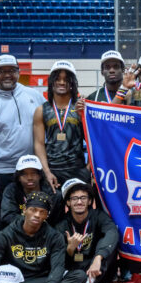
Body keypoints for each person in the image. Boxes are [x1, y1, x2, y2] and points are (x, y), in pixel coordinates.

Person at [0, 54, 45, 207]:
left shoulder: (34, 96)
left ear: (18, 72)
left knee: (32, 216)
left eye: (11, 70)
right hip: (1, 173)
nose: (7, 75)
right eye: (1, 71)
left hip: (30, 170)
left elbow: (52, 119)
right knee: (1, 220)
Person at [54, 178, 122, 283]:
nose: (79, 202)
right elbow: (58, 258)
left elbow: (111, 232)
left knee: (109, 245)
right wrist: (70, 249)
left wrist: (98, 258)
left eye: (83, 198)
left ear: (90, 200)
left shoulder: (98, 216)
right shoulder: (61, 225)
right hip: (74, 270)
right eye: (74, 199)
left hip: (97, 268)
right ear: (68, 202)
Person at [33, 60, 88, 189]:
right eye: (58, 79)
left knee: (78, 207)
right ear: (52, 81)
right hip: (52, 170)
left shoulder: (81, 107)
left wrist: (88, 169)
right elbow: (39, 143)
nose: (62, 82)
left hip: (77, 169)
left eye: (66, 79)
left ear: (72, 83)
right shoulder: (41, 110)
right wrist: (46, 171)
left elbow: (94, 140)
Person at [0, 154, 63, 229]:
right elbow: (7, 216)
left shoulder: (53, 194)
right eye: (24, 174)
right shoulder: (11, 190)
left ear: (40, 175)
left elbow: (58, 223)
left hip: (46, 234)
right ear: (18, 177)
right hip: (19, 231)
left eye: (33, 173)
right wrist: (31, 222)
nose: (29, 178)